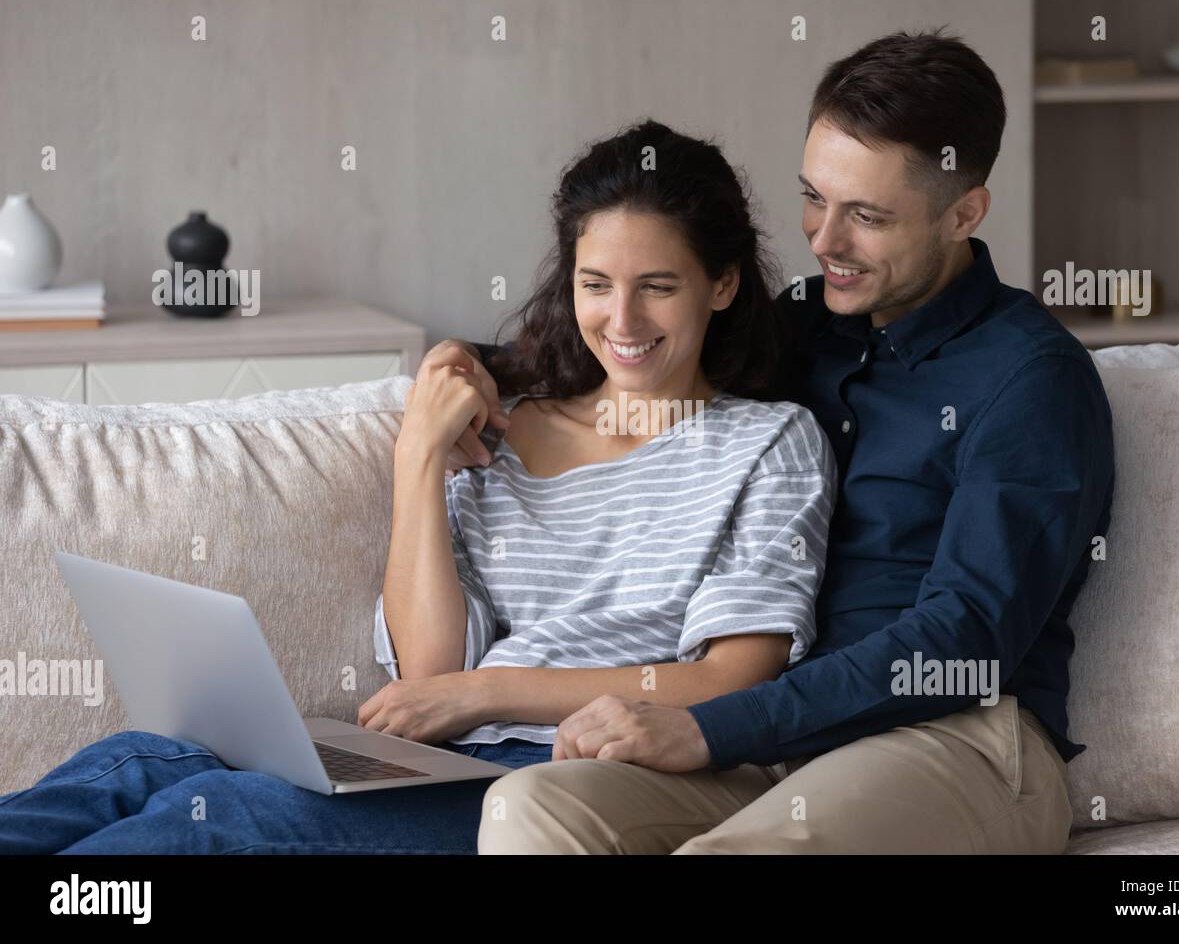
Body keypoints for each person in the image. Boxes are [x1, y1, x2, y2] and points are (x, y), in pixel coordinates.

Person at [0, 119, 836, 854]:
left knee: (219, 813)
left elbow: (739, 681)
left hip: (567, 778)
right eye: (595, 284)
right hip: (443, 757)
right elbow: (430, 665)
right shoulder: (502, 428)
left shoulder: (767, 444)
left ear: (722, 285)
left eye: (658, 286)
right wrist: (418, 457)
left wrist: (482, 694)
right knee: (142, 760)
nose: (622, 321)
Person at [448, 30, 1116, 854]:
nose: (824, 240)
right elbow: (635, 333)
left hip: (955, 740)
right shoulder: (807, 319)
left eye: (866, 217)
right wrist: (466, 366)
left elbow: (967, 638)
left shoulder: (1033, 378)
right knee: (533, 809)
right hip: (774, 746)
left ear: (964, 212)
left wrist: (713, 728)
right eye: (814, 198)